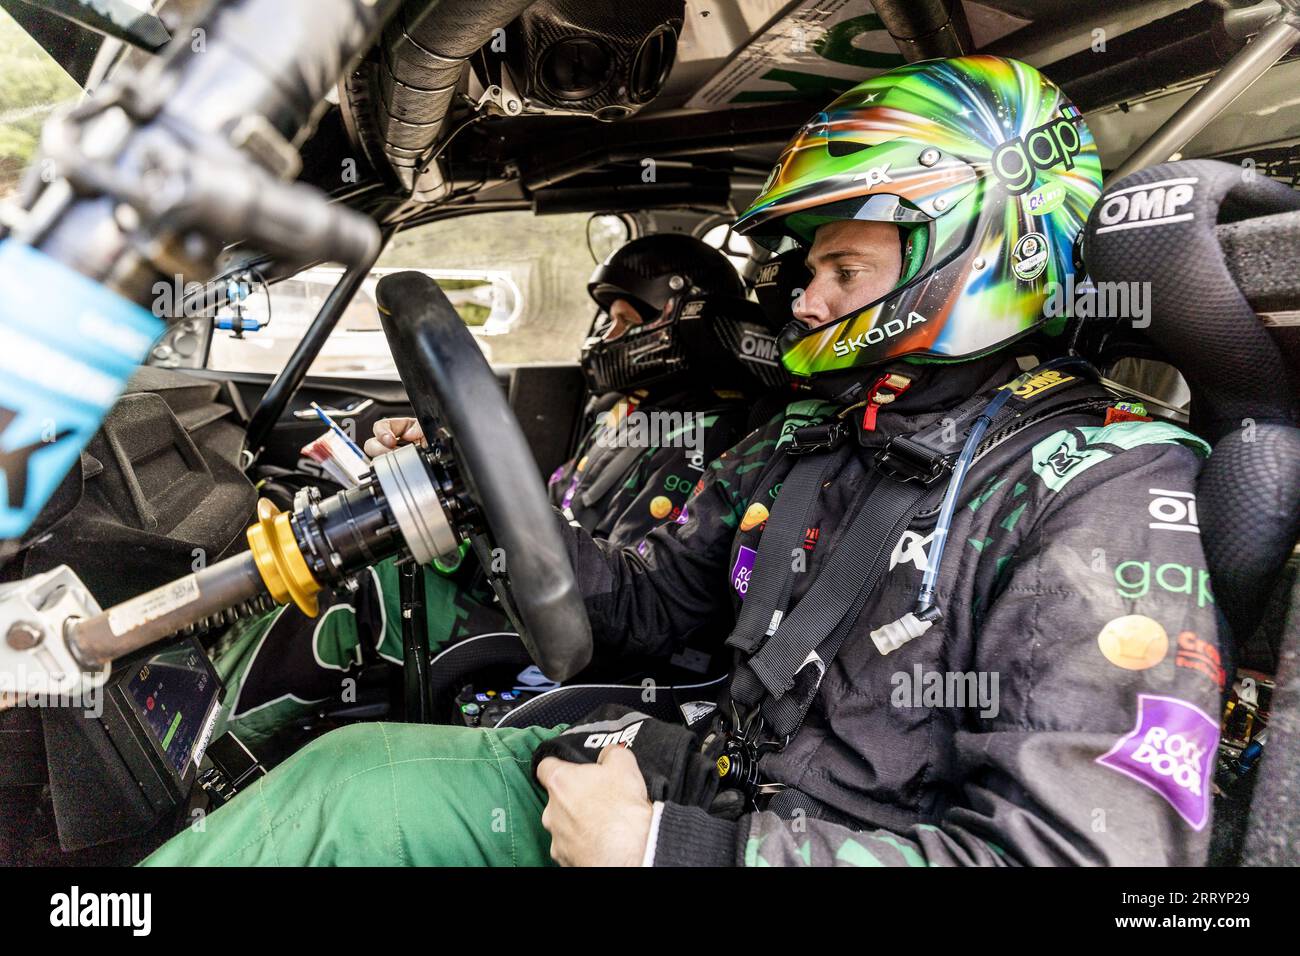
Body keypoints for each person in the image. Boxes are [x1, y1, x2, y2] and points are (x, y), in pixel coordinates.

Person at [143, 55, 1220, 867]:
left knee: (340, 813)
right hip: (696, 779)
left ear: (982, 251)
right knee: (338, 782)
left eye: (841, 270)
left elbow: (1090, 856)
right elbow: (651, 606)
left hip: (738, 837)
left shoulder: (1100, 485)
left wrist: (677, 849)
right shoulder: (815, 434)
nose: (802, 301)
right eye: (810, 272)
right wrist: (488, 503)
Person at [207, 234, 768, 750]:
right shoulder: (621, 414)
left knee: (357, 590)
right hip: (520, 589)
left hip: (572, 637)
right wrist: (451, 473)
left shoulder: (713, 439)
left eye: (624, 321)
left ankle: (212, 752)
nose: (607, 338)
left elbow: (623, 608)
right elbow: (549, 516)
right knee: (360, 562)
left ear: (677, 322)